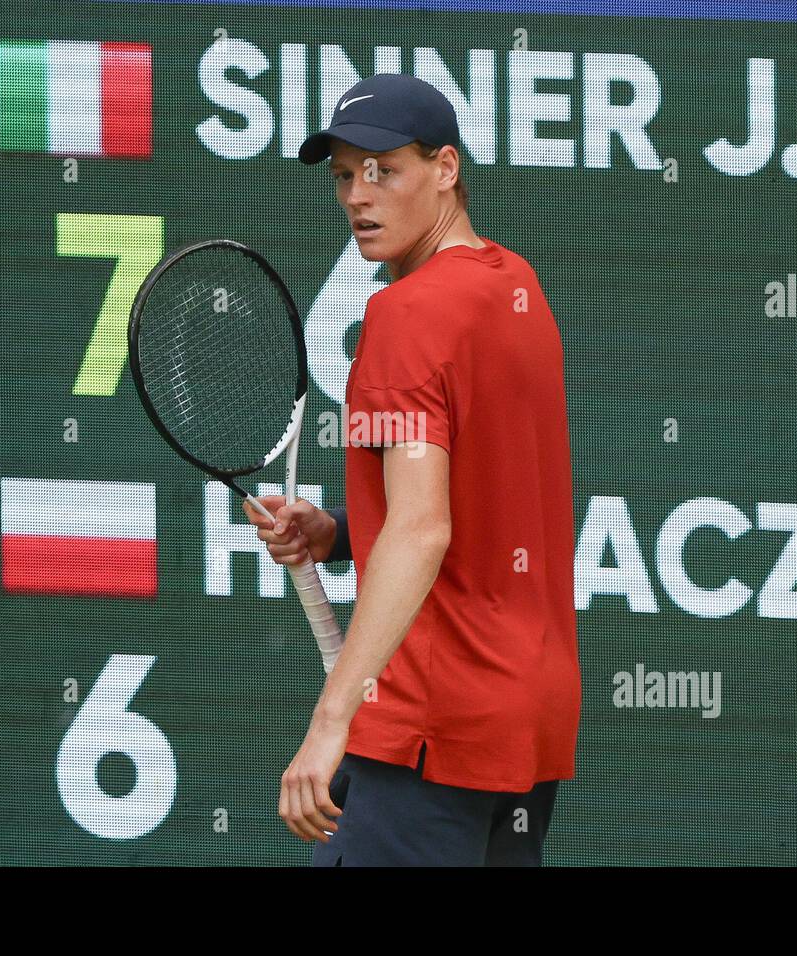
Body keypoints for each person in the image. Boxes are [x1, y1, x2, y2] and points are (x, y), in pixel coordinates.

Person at [242, 73, 581, 866]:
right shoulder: (515, 286)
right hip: (525, 715)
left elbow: (423, 530)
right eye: (343, 176)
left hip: (429, 727)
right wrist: (338, 534)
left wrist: (332, 720)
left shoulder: (405, 313)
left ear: (446, 168)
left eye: (384, 171)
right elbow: (481, 499)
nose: (358, 196)